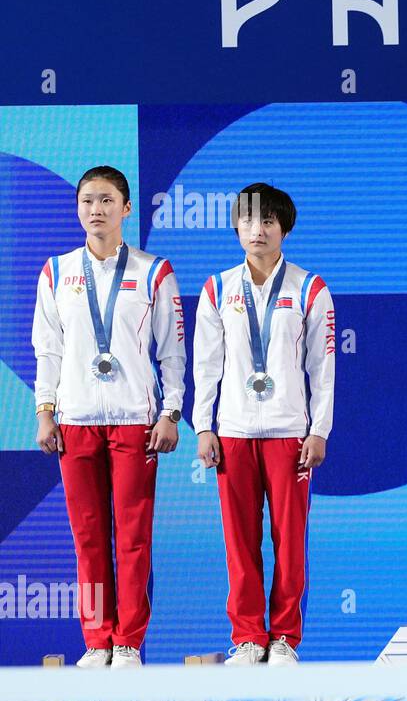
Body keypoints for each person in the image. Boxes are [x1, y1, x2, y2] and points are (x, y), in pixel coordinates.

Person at [32, 165, 186, 669]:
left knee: (134, 534)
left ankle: (129, 642)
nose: (95, 210)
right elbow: (47, 351)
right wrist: (45, 412)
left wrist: (170, 412)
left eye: (105, 201)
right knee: (89, 536)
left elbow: (173, 353)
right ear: (76, 209)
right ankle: (98, 640)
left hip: (134, 421)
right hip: (75, 420)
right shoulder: (56, 272)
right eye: (86, 201)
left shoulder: (153, 271)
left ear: (125, 208)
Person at [193, 183, 335, 665]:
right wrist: (203, 426)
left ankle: (284, 639)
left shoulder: (310, 288)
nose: (258, 230)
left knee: (289, 541)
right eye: (249, 221)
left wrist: (319, 429)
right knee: (239, 541)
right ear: (236, 227)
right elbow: (206, 366)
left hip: (289, 431)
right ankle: (249, 636)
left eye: (268, 221)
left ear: (284, 229)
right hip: (232, 431)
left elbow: (323, 367)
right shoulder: (216, 289)